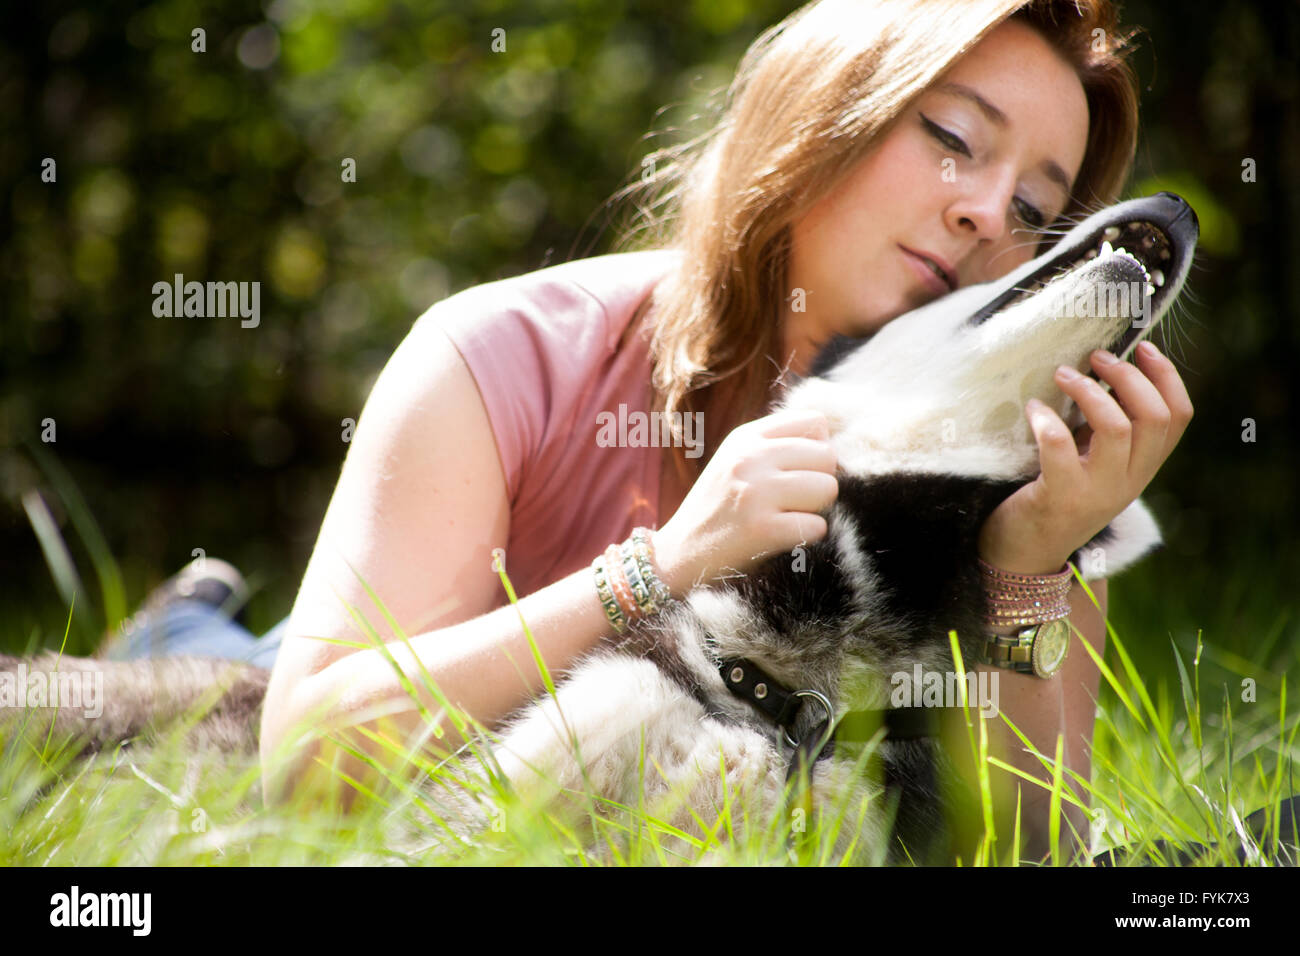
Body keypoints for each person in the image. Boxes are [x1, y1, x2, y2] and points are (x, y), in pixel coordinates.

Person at [121, 0, 1193, 863]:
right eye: (953, 139)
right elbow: (307, 760)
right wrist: (665, 563)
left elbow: (1031, 847)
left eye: (1031, 213)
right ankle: (185, 621)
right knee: (221, 686)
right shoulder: (499, 352)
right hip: (421, 691)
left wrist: (1028, 562)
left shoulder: (1001, 464)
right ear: (825, 112)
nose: (982, 214)